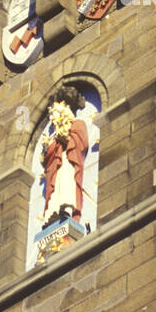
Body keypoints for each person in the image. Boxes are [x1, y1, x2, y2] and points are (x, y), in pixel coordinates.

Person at [39, 89, 89, 225]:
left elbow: (81, 142)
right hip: (56, 169)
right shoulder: (54, 136)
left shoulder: (78, 124)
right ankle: (52, 214)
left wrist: (66, 138)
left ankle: (67, 211)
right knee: (55, 190)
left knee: (67, 184)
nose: (53, 119)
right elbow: (49, 157)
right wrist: (46, 148)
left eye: (55, 115)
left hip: (68, 163)